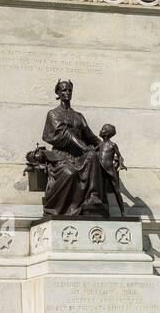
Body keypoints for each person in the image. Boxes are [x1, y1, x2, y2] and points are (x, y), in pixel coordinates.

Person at [39, 79, 109, 218]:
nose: (67, 93)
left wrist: (107, 147)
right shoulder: (53, 114)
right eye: (64, 90)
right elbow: (59, 134)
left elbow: (91, 137)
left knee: (93, 156)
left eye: (69, 90)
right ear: (58, 93)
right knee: (69, 172)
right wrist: (82, 146)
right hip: (61, 156)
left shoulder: (78, 116)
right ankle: (56, 208)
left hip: (79, 156)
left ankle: (93, 199)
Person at [97, 123, 127, 217]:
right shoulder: (100, 145)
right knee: (102, 192)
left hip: (110, 170)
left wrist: (120, 164)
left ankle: (123, 212)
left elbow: (120, 156)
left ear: (107, 133)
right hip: (101, 170)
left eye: (103, 129)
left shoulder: (113, 145)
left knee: (117, 191)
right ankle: (105, 212)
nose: (100, 130)